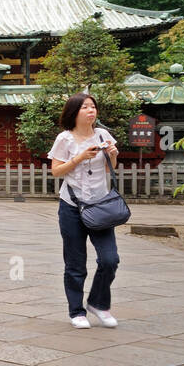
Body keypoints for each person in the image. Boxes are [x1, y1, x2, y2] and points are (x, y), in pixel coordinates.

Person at [47, 93, 120, 329]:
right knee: (75, 262)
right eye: (85, 107)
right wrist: (79, 158)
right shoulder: (64, 139)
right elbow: (56, 172)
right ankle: (76, 311)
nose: (91, 110)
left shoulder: (103, 135)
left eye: (93, 106)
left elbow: (111, 169)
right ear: (74, 112)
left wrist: (112, 155)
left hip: (101, 205)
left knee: (110, 259)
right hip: (72, 206)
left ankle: (98, 303)